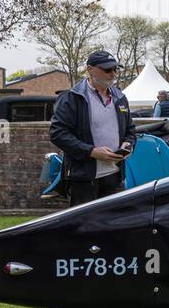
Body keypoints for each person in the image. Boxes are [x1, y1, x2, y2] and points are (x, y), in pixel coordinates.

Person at [49, 50, 137, 206]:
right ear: (90, 69)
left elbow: (130, 130)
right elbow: (58, 133)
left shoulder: (120, 97)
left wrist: (128, 145)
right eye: (107, 69)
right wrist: (91, 152)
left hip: (115, 176)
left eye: (116, 69)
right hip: (83, 180)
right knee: (84, 228)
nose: (113, 74)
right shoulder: (72, 97)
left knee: (115, 225)